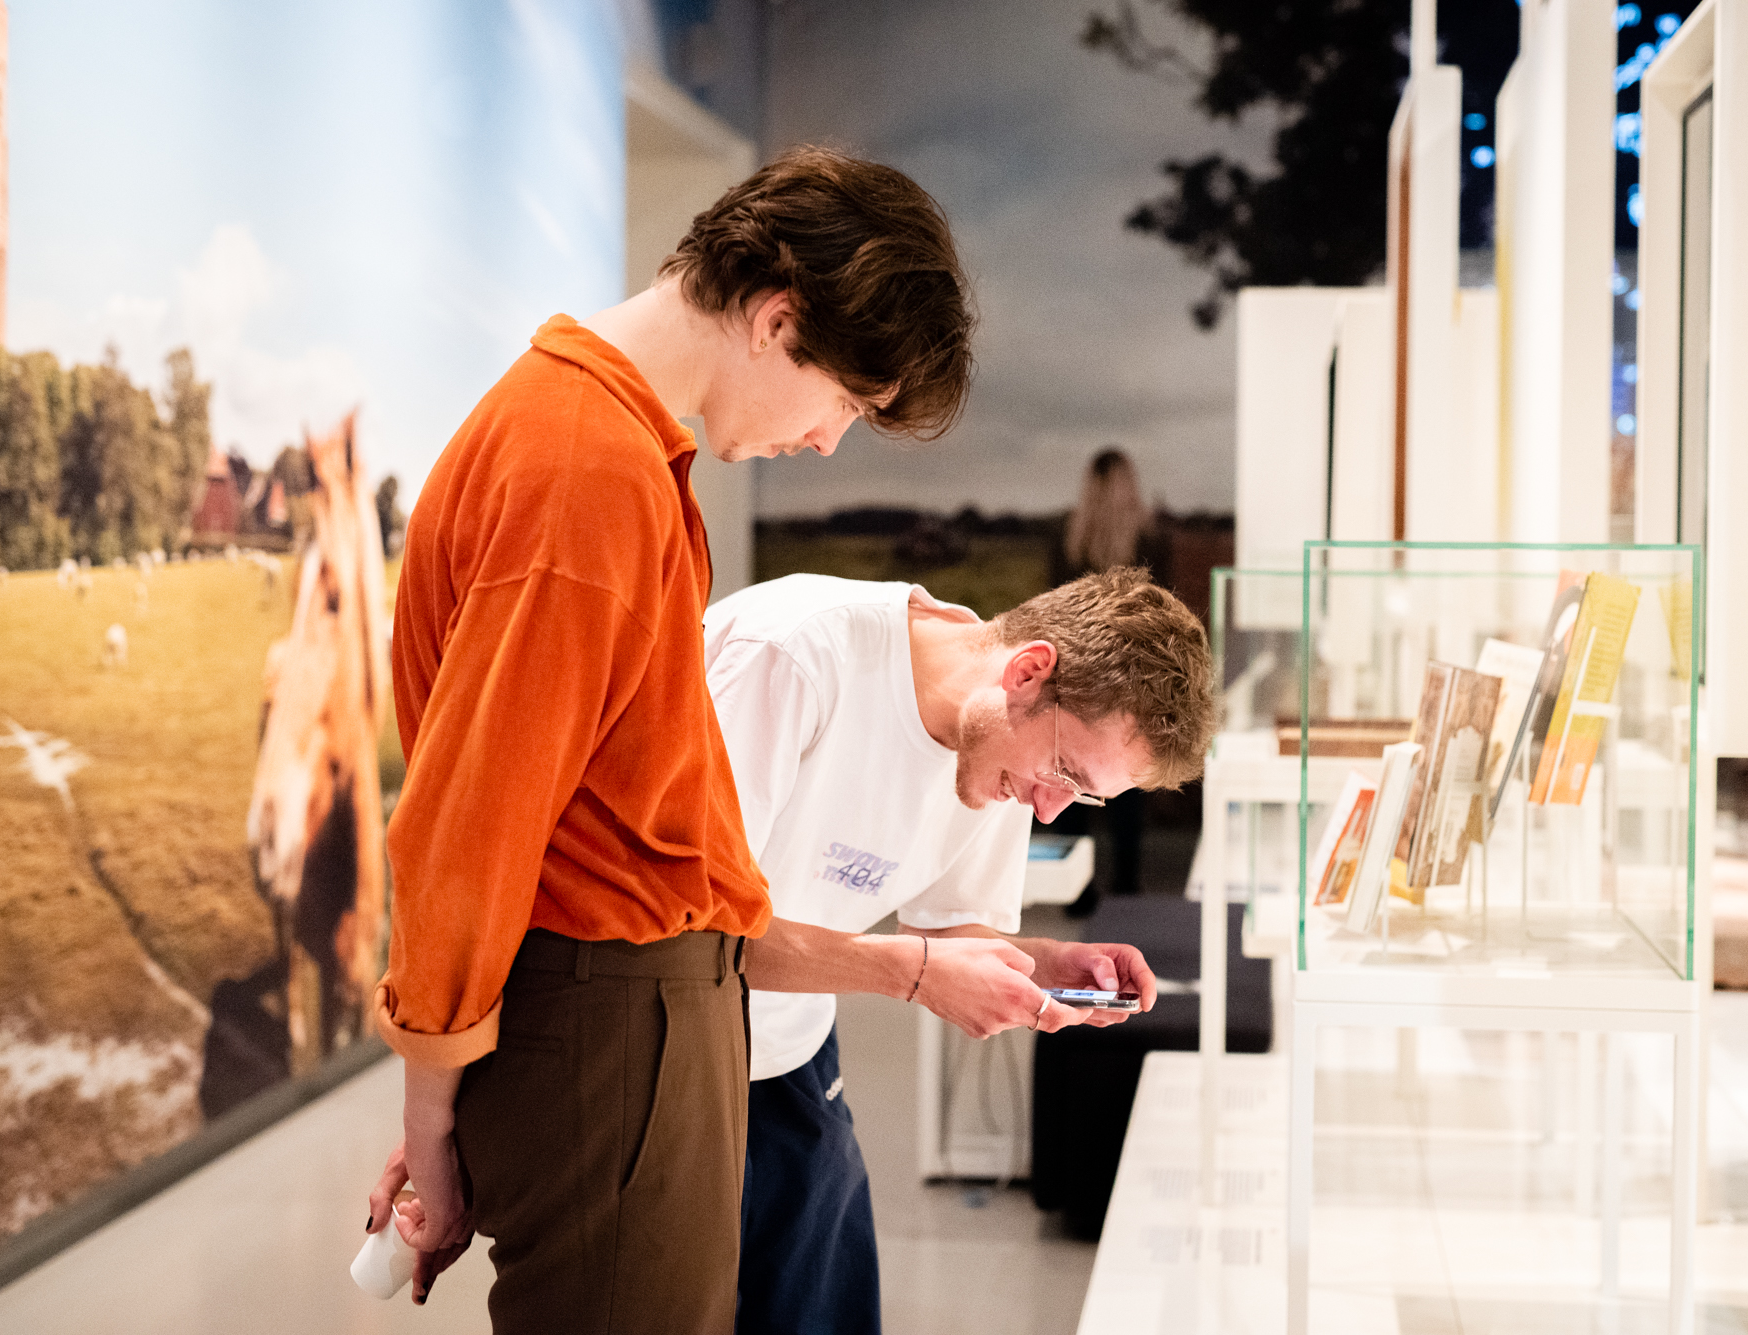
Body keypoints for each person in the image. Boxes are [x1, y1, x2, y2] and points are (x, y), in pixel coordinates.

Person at [362, 147, 975, 1334]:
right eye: (846, 402)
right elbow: (466, 827)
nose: (826, 441)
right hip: (611, 1025)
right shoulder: (584, 465)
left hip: (636, 1020)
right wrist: (431, 1115)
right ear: (776, 319)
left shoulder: (602, 443)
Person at [710, 567, 1219, 1335]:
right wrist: (911, 974)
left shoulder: (1006, 747)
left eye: (1085, 794)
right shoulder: (792, 657)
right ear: (1028, 672)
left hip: (789, 1050)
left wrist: (1043, 962)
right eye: (1067, 772)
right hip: (660, 1047)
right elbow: (690, 934)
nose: (1051, 806)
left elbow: (950, 928)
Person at [1051, 448, 1167, 912]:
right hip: (1131, 678)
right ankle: (1125, 885)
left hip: (1077, 677)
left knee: (1070, 786)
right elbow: (1163, 614)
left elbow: (1052, 610)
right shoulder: (1149, 538)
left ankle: (1076, 892)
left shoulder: (1068, 538)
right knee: (1128, 786)